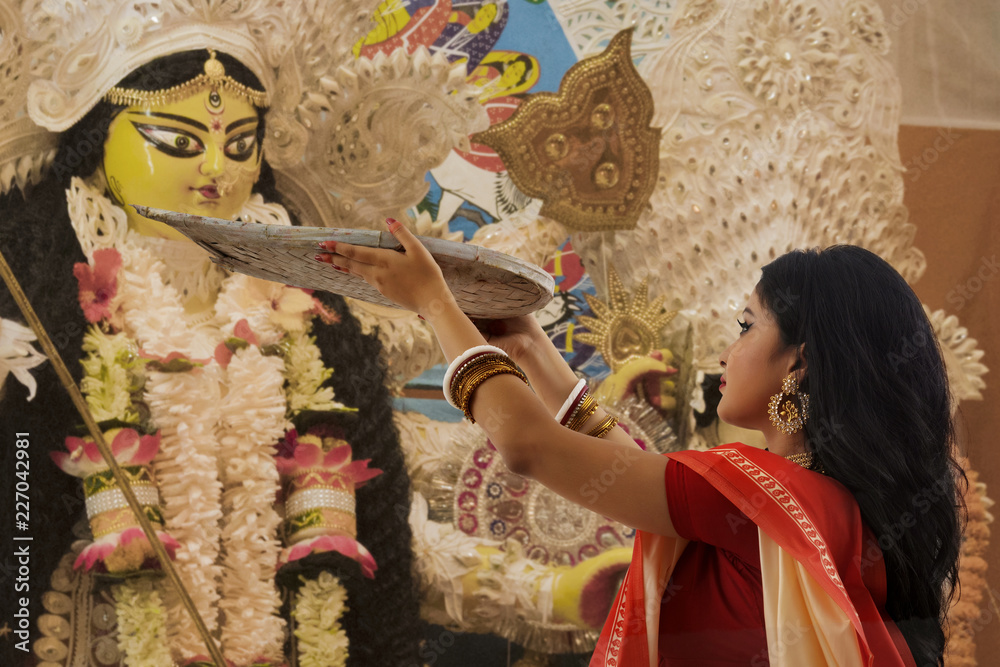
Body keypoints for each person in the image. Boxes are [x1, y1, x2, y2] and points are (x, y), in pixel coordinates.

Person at [317, 227, 965, 666]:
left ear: (798, 362)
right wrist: (531, 349)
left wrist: (433, 302)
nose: (725, 350)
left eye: (745, 326)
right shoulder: (821, 508)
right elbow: (636, 473)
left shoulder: (767, 491)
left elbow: (526, 444)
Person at [0, 50, 422, 665]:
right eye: (176, 139)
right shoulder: (35, 301)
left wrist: (548, 594)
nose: (216, 168)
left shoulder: (306, 314)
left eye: (243, 142)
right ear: (92, 146)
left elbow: (382, 526)